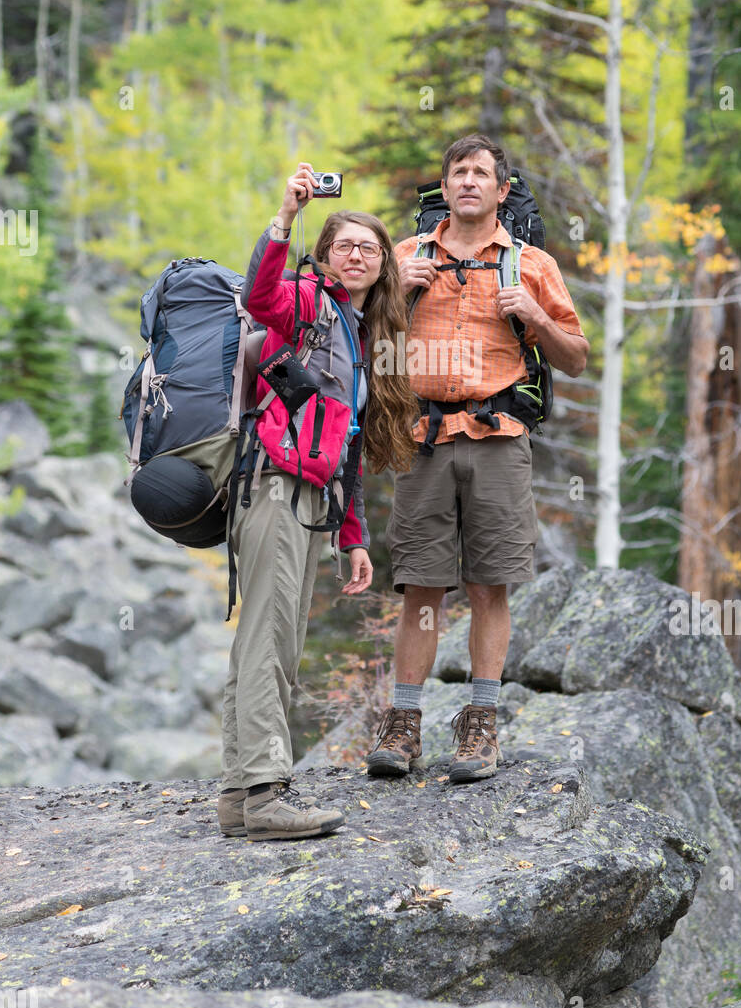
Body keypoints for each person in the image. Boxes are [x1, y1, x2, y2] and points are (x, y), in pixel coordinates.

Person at [367, 134, 590, 783]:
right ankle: (403, 726)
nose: (468, 181)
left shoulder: (532, 266)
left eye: (481, 173)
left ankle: (480, 724)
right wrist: (390, 294)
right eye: (457, 172)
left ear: (500, 190)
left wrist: (537, 320)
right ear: (445, 186)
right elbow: (357, 342)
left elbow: (575, 357)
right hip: (421, 438)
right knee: (421, 586)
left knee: (490, 583)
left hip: (498, 438)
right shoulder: (403, 257)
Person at [218, 163, 418, 840]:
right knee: (269, 637)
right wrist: (286, 216)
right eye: (345, 245)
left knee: (268, 639)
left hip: (309, 498)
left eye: (369, 247)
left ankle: (237, 797)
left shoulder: (359, 337)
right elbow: (259, 293)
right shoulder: (305, 301)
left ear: (383, 264)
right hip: (271, 485)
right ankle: (267, 792)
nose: (357, 255)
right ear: (325, 257)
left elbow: (347, 444)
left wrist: (353, 534)